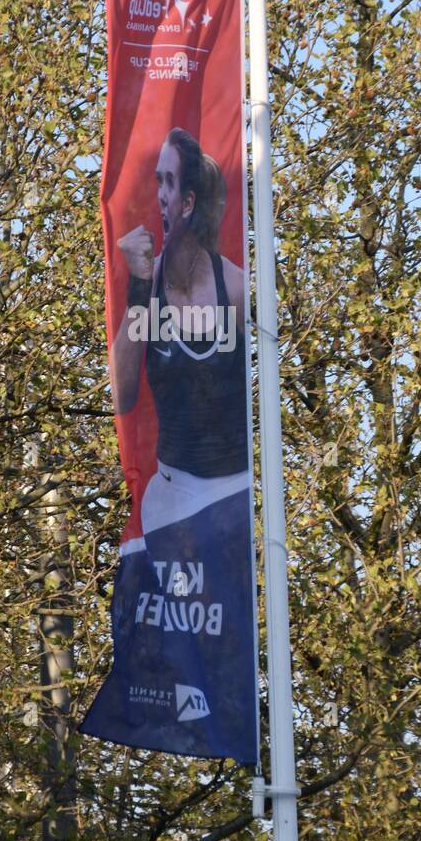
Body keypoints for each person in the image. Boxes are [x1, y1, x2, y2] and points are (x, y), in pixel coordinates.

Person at [110, 127, 250, 538]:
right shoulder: (147, 286)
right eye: (157, 182)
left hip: (233, 492)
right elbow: (122, 394)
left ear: (188, 202)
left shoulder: (237, 288)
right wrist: (138, 287)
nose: (160, 196)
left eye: (168, 182)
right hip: (171, 497)